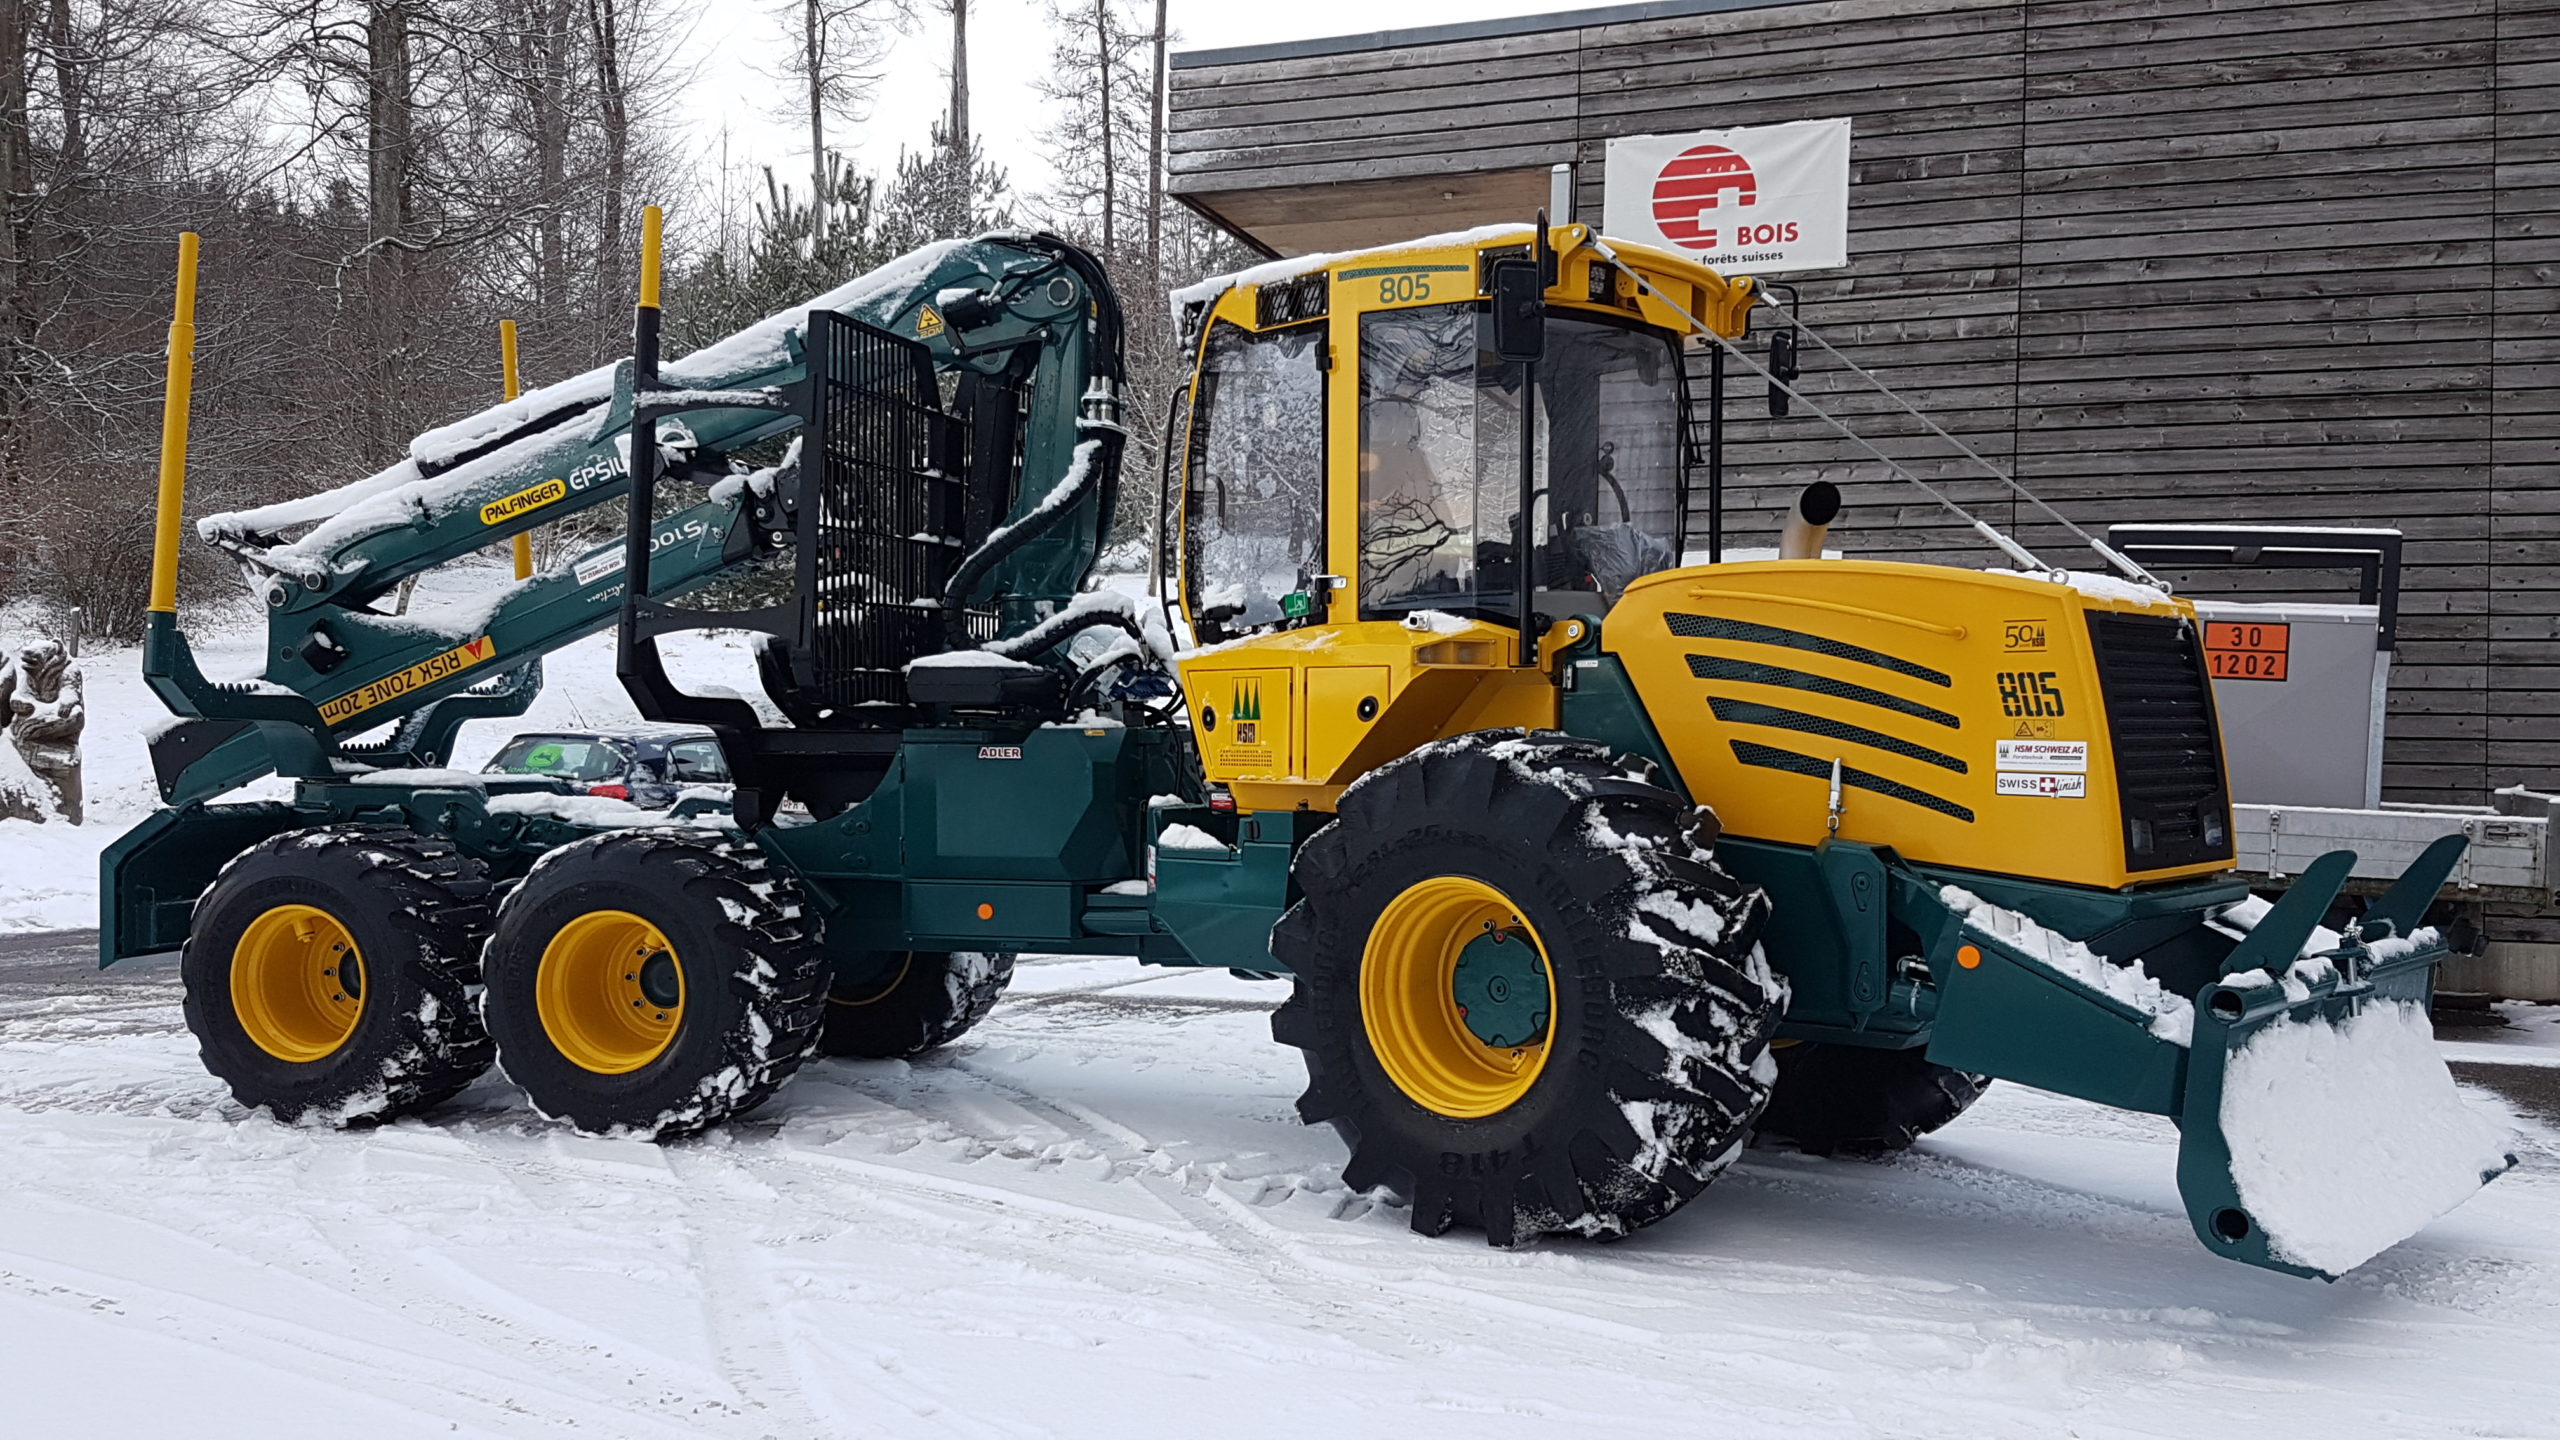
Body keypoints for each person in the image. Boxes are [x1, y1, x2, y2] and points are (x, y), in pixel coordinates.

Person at [0, 640, 85, 824]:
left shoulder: (69, 670)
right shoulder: (32, 673)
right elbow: (20, 694)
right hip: (32, 718)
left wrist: (64, 703)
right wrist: (23, 703)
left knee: (72, 717)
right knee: (18, 729)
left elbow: (70, 695)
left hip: (59, 721)